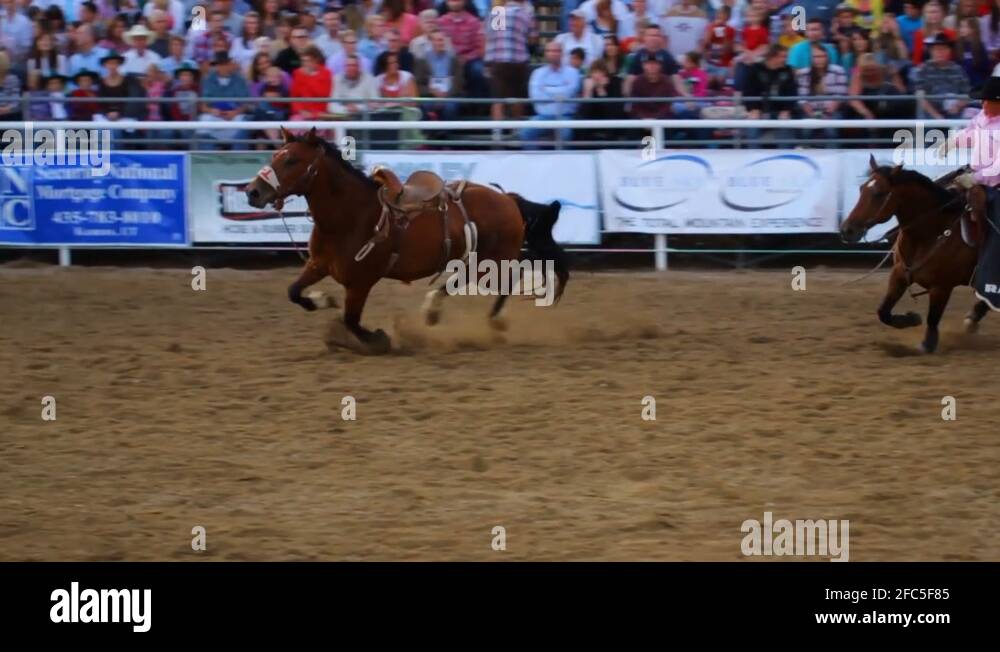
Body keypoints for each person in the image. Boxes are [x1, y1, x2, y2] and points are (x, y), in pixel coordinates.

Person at [521, 40, 580, 145]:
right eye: (550, 51)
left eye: (556, 51)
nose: (553, 53)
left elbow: (568, 94)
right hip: (543, 116)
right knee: (526, 132)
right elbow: (536, 97)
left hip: (565, 116)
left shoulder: (572, 72)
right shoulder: (537, 73)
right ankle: (534, 156)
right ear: (545, 53)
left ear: (562, 53)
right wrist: (561, 90)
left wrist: (546, 89)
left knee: (566, 134)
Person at [914, 33, 969, 119]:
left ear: (949, 50)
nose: (940, 52)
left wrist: (958, 106)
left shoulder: (958, 69)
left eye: (943, 49)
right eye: (936, 49)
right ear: (931, 52)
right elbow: (920, 97)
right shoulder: (923, 70)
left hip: (954, 113)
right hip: (929, 115)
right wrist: (937, 117)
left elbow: (966, 94)